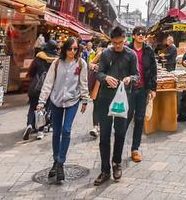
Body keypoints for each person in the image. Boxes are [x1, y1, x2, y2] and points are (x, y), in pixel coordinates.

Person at [36, 38, 89, 184]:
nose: (72, 51)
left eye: (75, 49)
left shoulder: (81, 63)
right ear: (65, 49)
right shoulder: (57, 63)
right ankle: (55, 160)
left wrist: (85, 100)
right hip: (56, 101)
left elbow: (83, 83)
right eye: (70, 48)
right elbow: (48, 83)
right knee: (56, 132)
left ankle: (60, 162)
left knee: (66, 130)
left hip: (72, 101)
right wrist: (41, 101)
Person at [93, 27, 138, 186]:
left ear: (125, 39)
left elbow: (136, 75)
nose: (118, 45)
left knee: (120, 133)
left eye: (120, 42)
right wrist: (105, 78)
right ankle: (105, 170)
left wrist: (129, 79)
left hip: (123, 98)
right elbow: (98, 73)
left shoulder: (131, 55)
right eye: (115, 43)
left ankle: (116, 163)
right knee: (104, 135)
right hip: (105, 99)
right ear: (111, 41)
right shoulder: (106, 54)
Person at [127, 27, 157, 163]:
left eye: (143, 34)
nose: (141, 36)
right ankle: (119, 146)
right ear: (133, 36)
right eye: (138, 34)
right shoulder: (127, 49)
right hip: (128, 88)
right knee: (125, 118)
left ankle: (135, 149)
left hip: (142, 89)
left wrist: (152, 88)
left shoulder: (148, 50)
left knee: (139, 119)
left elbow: (153, 70)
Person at [23, 40, 58, 141]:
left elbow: (31, 72)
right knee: (44, 108)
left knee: (33, 107)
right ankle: (40, 131)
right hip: (49, 88)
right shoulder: (56, 60)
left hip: (36, 87)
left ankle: (30, 124)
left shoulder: (39, 58)